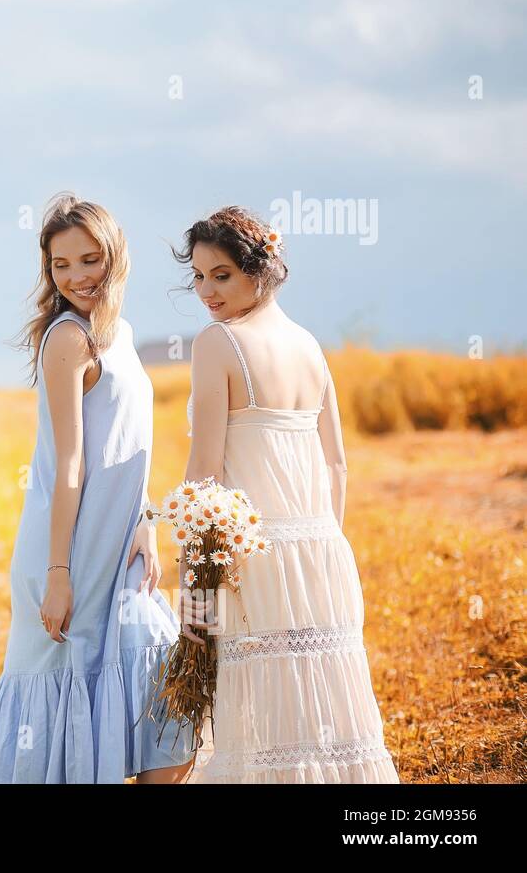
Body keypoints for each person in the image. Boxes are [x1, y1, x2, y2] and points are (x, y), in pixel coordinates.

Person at [0, 193, 194, 783]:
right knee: (59, 713)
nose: (74, 278)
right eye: (60, 266)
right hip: (68, 548)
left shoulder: (119, 333)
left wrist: (144, 518)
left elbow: (120, 443)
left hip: (118, 540)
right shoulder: (69, 340)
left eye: (88, 260)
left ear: (115, 257)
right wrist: (57, 575)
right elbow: (71, 464)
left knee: (166, 700)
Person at [174, 206, 400, 783]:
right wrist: (322, 550)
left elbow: (204, 474)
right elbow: (338, 465)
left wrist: (193, 583)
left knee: (257, 722)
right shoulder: (309, 345)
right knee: (321, 719)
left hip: (252, 560)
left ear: (260, 269)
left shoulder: (216, 343)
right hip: (321, 552)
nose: (206, 291)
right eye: (198, 276)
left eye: (220, 275)